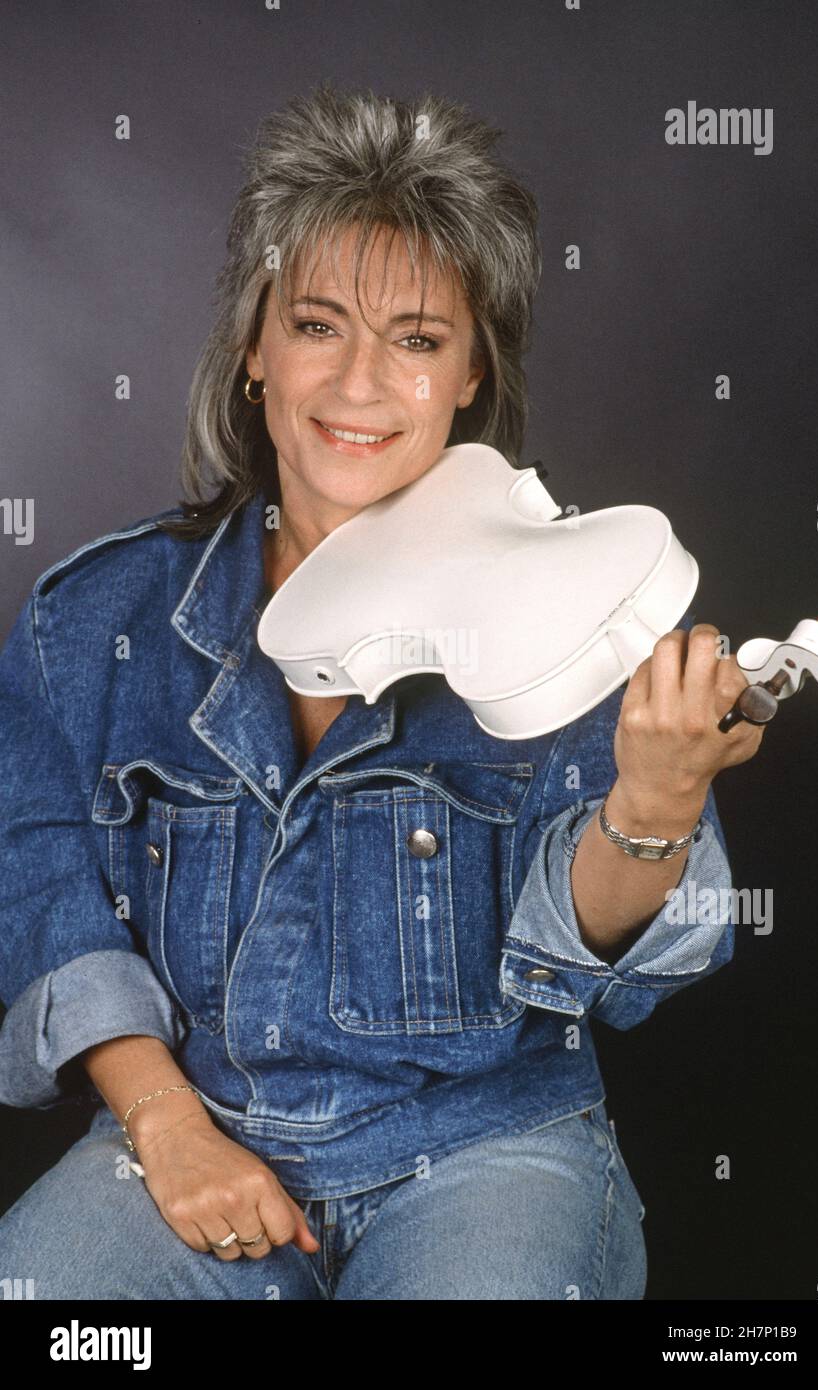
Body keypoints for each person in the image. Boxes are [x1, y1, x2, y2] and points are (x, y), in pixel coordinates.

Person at [0, 80, 763, 1300]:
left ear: (469, 375)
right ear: (255, 346)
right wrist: (169, 1127)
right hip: (197, 1133)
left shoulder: (573, 611)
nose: (360, 383)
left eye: (416, 339)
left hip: (483, 1149)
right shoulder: (94, 618)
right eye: (316, 324)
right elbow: (42, 888)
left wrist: (658, 805)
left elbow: (610, 977)